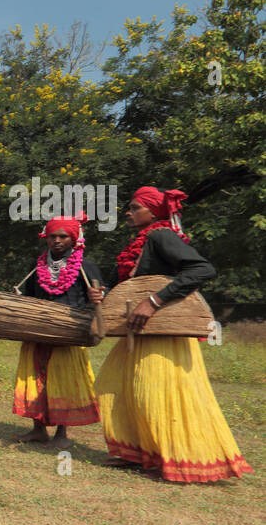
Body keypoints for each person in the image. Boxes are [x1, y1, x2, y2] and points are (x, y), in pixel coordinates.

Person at [95, 187, 253, 482]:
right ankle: (138, 452)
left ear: (153, 212)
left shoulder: (160, 236)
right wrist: (102, 291)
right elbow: (124, 284)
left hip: (164, 333)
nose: (127, 213)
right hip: (140, 332)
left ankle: (176, 458)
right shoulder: (141, 242)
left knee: (157, 393)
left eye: (134, 207)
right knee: (114, 385)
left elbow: (202, 269)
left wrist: (154, 301)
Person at [12, 213, 105, 447]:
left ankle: (62, 435)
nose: (57, 241)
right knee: (35, 379)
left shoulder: (86, 266)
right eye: (52, 236)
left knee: (63, 380)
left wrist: (99, 296)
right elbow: (31, 296)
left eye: (63, 236)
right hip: (38, 332)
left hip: (69, 334)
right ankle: (38, 430)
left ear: (73, 239)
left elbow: (102, 294)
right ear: (46, 238)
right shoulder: (37, 265)